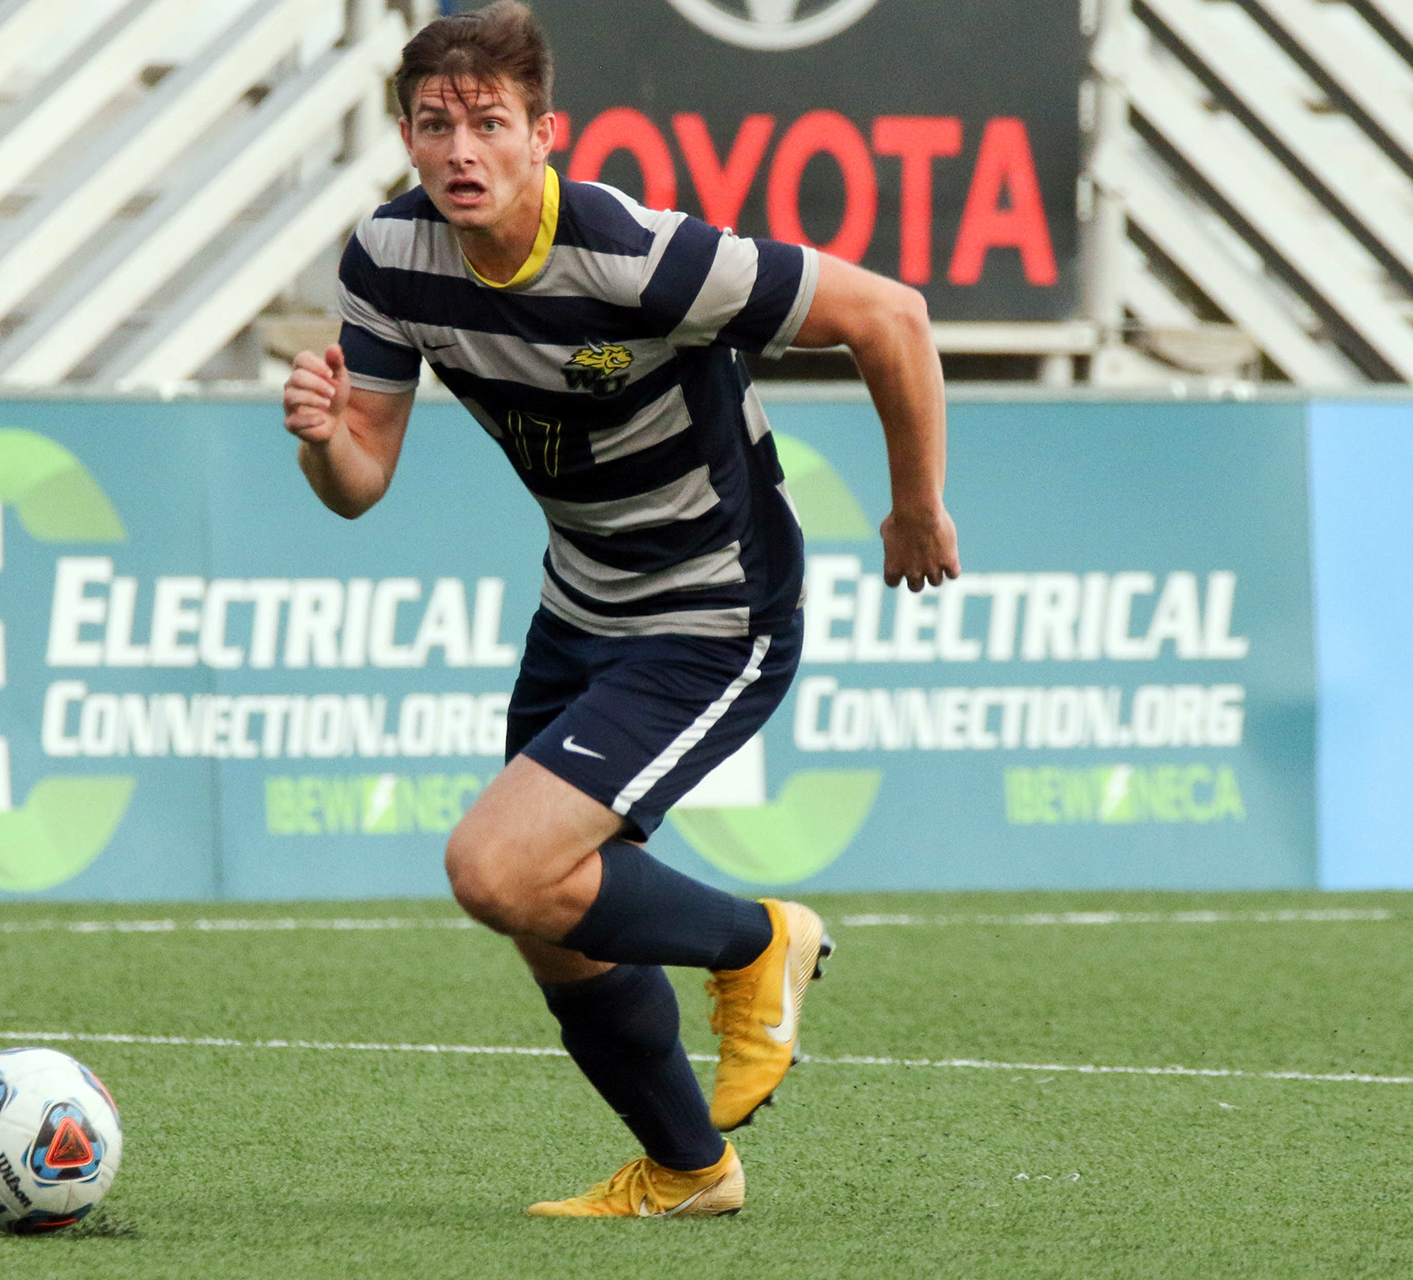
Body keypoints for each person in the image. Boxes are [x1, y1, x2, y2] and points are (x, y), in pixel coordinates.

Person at [281, 0, 959, 1218]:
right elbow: (359, 485)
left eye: (490, 123)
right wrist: (325, 444)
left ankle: (759, 941)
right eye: (435, 124)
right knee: (550, 915)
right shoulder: (389, 259)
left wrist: (917, 509)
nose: (460, 150)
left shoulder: (638, 255)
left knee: (494, 867)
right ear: (405, 134)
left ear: (547, 134)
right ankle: (693, 1170)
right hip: (580, 599)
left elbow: (890, 315)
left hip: (715, 604)